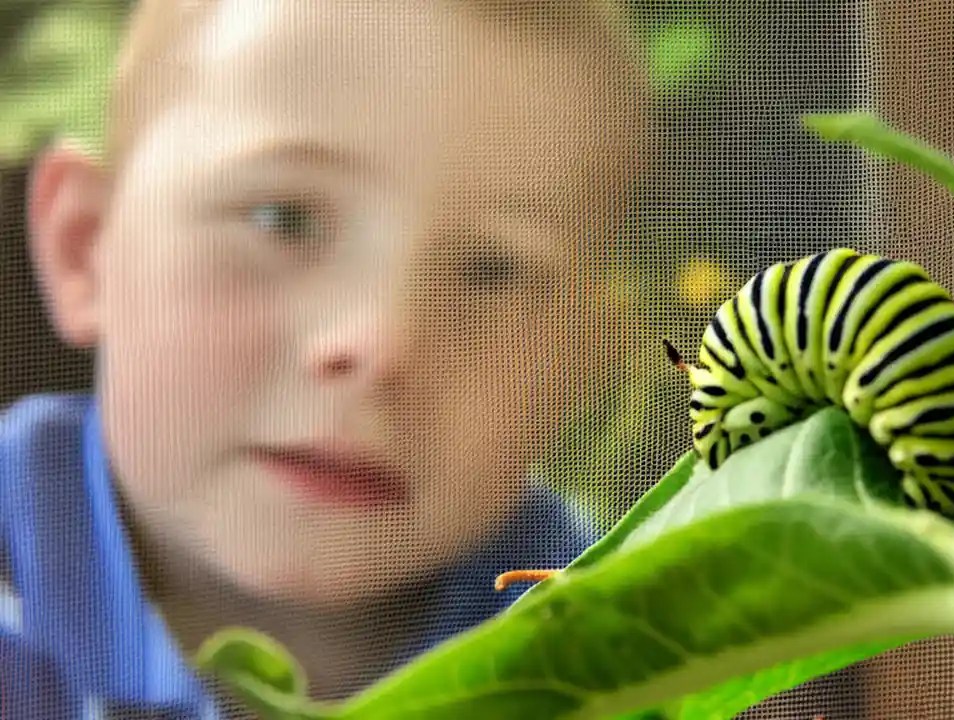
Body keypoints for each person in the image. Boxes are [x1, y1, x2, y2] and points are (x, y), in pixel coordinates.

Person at [1, 0, 649, 717]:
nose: (379, 341)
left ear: (583, 360)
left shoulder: (641, 644)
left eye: (490, 270)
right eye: (284, 218)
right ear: (85, 246)